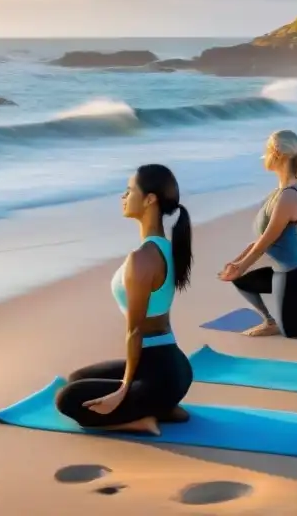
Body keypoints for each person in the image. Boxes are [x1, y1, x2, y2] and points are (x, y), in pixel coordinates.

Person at [55, 164, 193, 435]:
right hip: (174, 368)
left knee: (67, 399)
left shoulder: (142, 258)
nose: (123, 197)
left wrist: (123, 389)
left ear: (150, 199)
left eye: (129, 191)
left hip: (159, 373)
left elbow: (135, 330)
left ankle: (139, 419)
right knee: (77, 379)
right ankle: (162, 407)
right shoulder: (167, 248)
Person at [218, 130, 297, 337]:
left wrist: (241, 266)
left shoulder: (288, 195)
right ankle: (271, 320)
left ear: (278, 154)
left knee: (291, 334)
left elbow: (265, 242)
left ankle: (283, 314)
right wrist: (236, 264)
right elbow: (261, 239)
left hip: (295, 274)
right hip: (284, 270)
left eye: (267, 150)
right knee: (242, 279)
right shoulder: (280, 191)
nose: (265, 155)